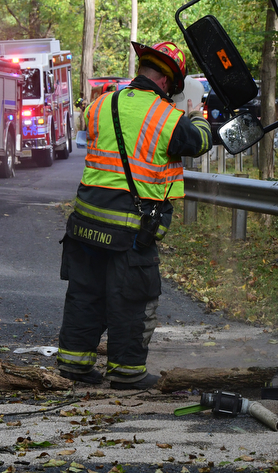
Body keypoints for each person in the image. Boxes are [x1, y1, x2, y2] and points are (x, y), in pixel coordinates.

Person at [57, 41, 212, 390]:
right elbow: (199, 142)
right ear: (169, 83)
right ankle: (126, 372)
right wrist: (198, 117)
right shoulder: (167, 117)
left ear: (141, 68)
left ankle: (73, 364)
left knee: (86, 293)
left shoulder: (100, 105)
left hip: (85, 222)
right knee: (132, 297)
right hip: (129, 228)